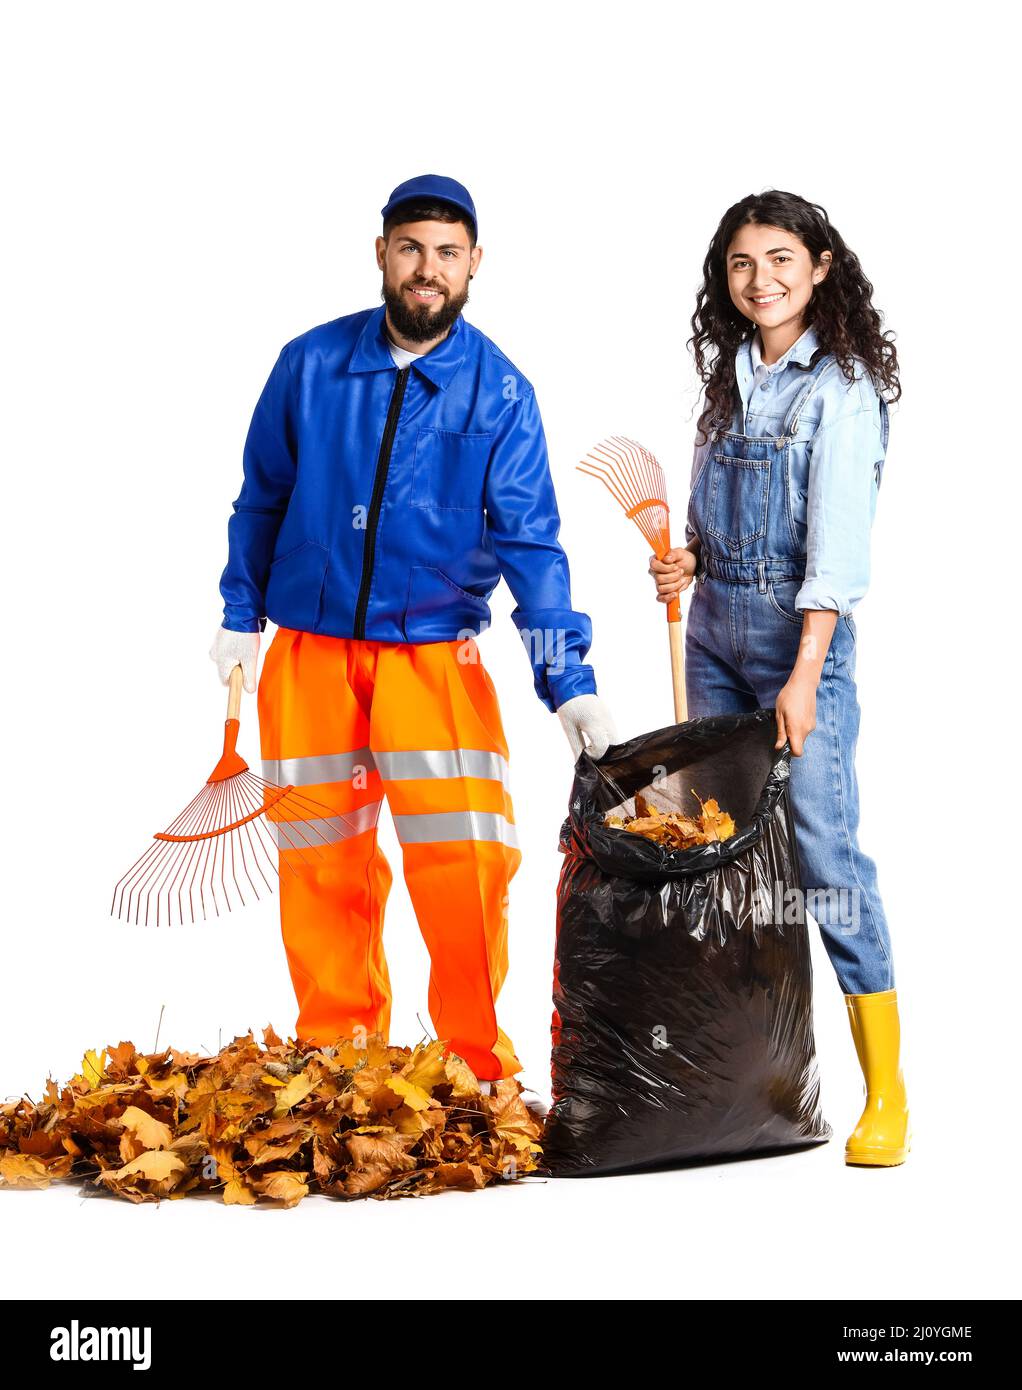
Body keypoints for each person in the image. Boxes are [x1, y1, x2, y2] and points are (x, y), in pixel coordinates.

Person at [209, 174, 618, 1084]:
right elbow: (262, 499)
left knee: (466, 869)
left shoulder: (499, 393)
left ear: (474, 264)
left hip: (434, 662)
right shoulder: (309, 366)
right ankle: (339, 1065)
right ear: (382, 253)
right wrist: (241, 615)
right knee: (322, 868)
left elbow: (532, 546)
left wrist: (569, 678)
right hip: (309, 660)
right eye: (410, 249)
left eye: (446, 253)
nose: (426, 269)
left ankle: (475, 1070)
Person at [649, 190, 909, 1166]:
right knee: (714, 851)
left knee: (823, 863)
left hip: (795, 647)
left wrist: (801, 678)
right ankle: (734, 1080)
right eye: (739, 263)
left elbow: (834, 558)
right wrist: (683, 564)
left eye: (779, 260)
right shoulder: (727, 380)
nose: (759, 281)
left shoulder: (837, 390)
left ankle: (884, 1096)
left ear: (820, 267)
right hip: (711, 636)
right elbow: (717, 529)